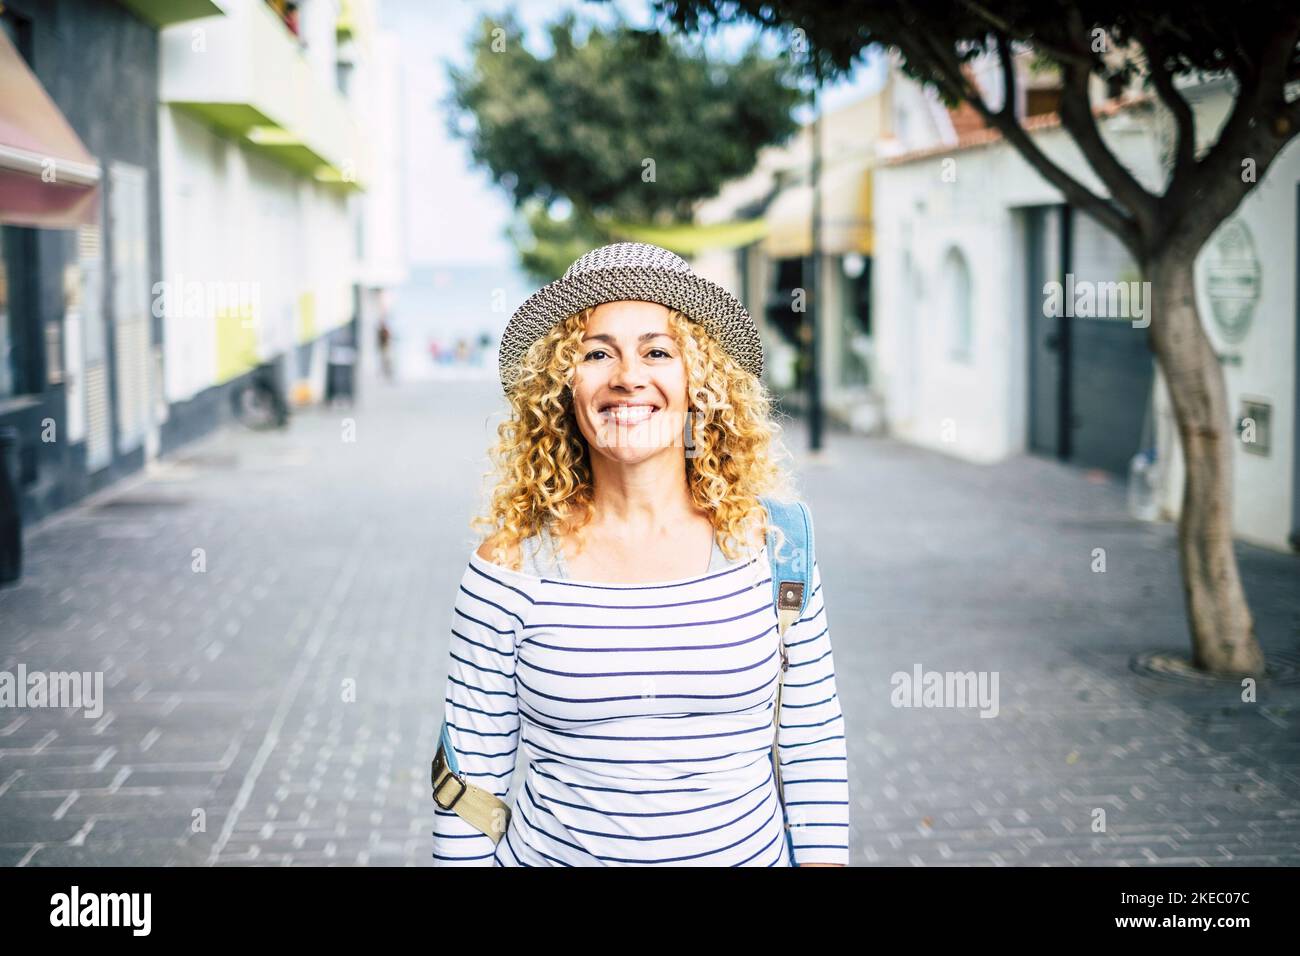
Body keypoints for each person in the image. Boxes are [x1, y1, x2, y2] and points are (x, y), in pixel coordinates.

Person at [431, 242, 849, 867]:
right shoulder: (509, 567)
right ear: (561, 387)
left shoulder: (777, 547)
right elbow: (468, 796)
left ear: (698, 383)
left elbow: (813, 747)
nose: (628, 376)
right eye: (598, 353)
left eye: (658, 351)